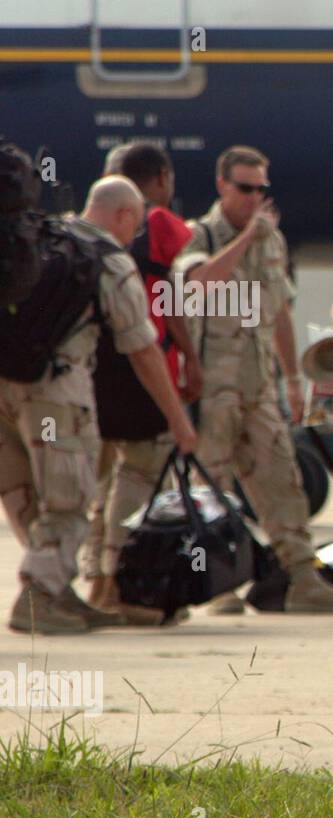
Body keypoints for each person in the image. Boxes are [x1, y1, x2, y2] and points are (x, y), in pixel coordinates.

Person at [2, 175, 197, 634]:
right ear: (125, 215)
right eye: (137, 225)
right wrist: (178, 420)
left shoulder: (40, 237)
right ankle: (41, 596)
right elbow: (143, 349)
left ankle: (57, 589)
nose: (136, 236)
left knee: (22, 494)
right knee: (70, 497)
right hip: (54, 390)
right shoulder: (107, 258)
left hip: (5, 388)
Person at [175, 145, 333, 615]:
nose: (254, 197)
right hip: (213, 390)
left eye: (261, 189)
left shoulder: (272, 242)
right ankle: (217, 589)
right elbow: (198, 283)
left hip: (258, 387)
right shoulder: (202, 234)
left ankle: (302, 578)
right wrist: (247, 239)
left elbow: (280, 310)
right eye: (245, 188)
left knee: (282, 480)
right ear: (223, 186)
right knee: (209, 490)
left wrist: (294, 380)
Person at [83, 142, 201, 623]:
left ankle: (95, 582)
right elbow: (171, 298)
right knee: (138, 477)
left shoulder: (79, 230)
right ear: (160, 181)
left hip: (92, 375)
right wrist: (191, 358)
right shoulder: (162, 225)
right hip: (141, 372)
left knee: (102, 484)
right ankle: (120, 583)